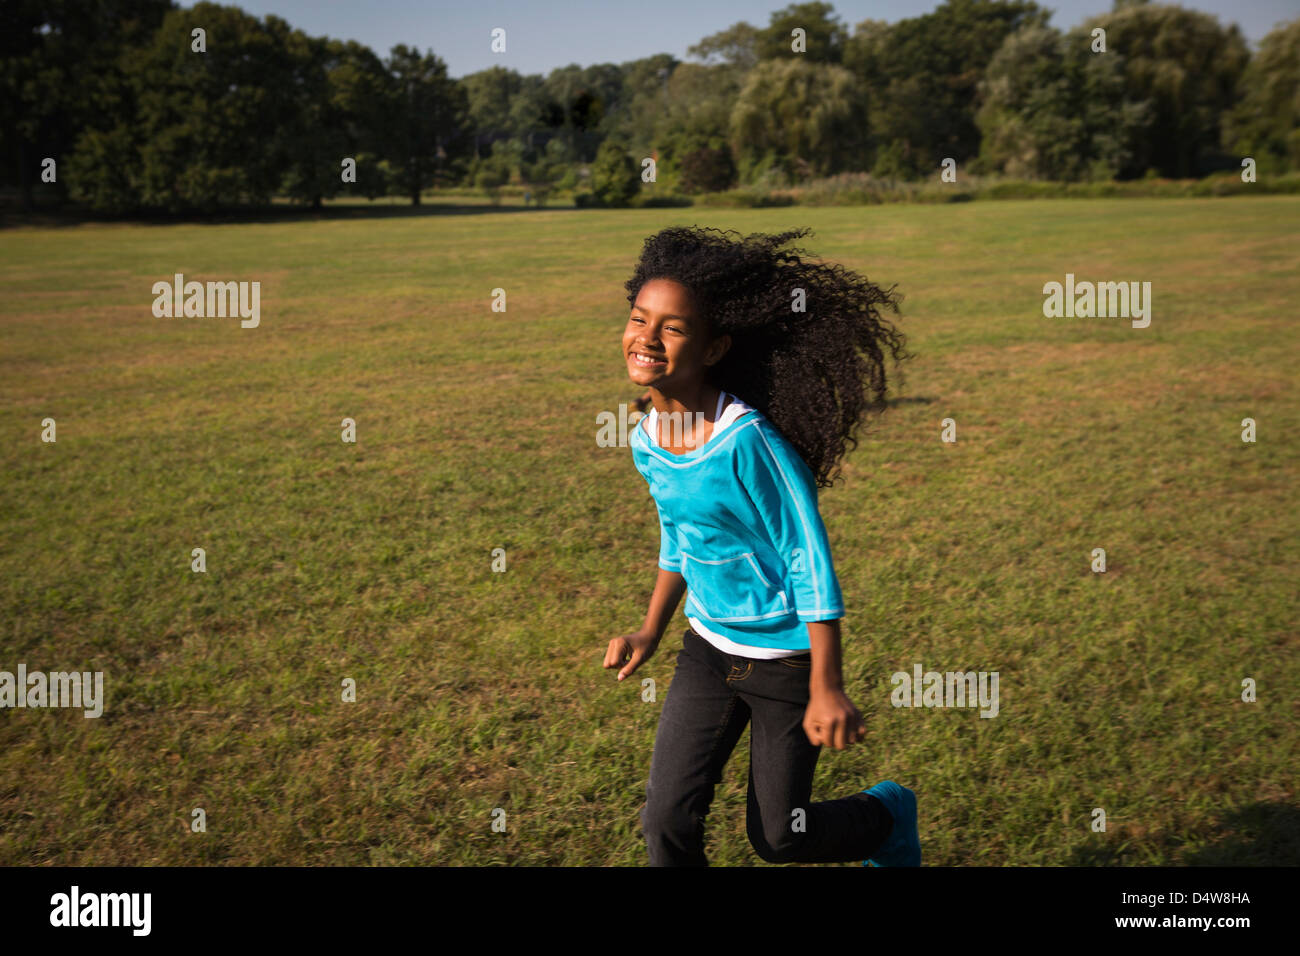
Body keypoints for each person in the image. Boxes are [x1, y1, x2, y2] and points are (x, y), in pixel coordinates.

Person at [603, 225, 919, 866]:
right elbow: (680, 537)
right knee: (664, 823)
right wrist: (649, 630)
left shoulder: (748, 441)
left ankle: (886, 816)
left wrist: (827, 684)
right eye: (640, 319)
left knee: (780, 836)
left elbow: (809, 557)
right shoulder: (645, 434)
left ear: (714, 346)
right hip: (708, 650)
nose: (649, 337)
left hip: (786, 663)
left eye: (674, 328)